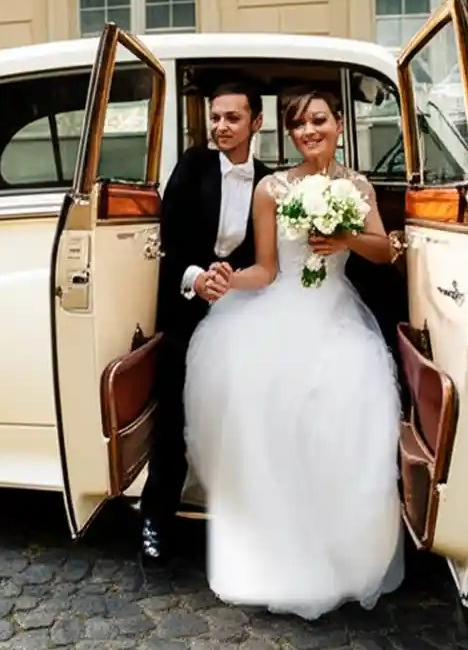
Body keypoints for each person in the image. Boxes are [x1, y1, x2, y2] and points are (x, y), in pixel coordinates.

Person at [182, 87, 405, 619]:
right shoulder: (273, 188)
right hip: (281, 310)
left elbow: (383, 250)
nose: (310, 131)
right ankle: (276, 557)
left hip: (338, 316)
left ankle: (344, 558)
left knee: (346, 413)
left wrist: (345, 237)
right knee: (266, 413)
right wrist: (227, 280)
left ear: (339, 125)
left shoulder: (358, 185)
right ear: (289, 133)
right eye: (300, 124)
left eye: (319, 121)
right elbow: (266, 268)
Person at [139, 81, 274, 565]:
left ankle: (242, 517)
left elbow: (267, 257)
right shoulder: (192, 165)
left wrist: (232, 282)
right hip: (188, 307)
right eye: (216, 117)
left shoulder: (267, 181)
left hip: (245, 308)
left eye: (233, 118)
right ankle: (155, 517)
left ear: (256, 122)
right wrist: (197, 279)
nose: (221, 126)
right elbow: (169, 242)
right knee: (173, 413)